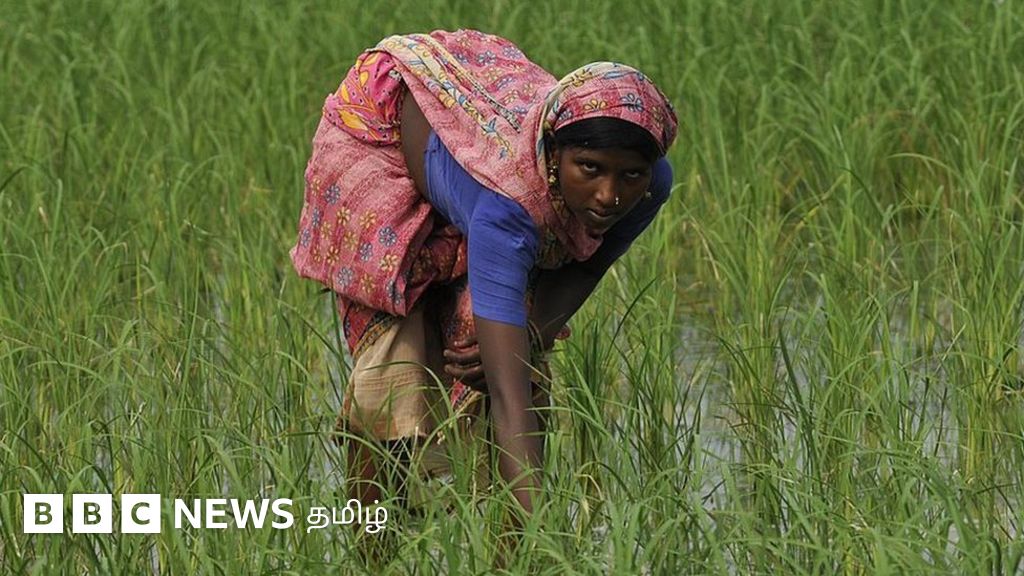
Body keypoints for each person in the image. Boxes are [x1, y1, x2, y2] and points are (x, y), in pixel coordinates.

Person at [291, 29, 677, 515]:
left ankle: (508, 554)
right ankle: (372, 553)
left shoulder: (652, 182)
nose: (609, 196)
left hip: (484, 141)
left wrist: (532, 334)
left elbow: (592, 260)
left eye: (629, 176)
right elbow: (508, 397)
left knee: (517, 362)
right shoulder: (508, 213)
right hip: (384, 124)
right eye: (590, 168)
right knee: (394, 372)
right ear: (554, 157)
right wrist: (548, 531)